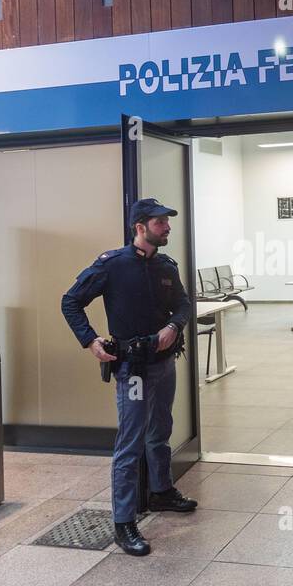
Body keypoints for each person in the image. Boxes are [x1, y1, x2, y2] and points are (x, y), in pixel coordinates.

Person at [60, 198, 199, 556]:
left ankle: (162, 491)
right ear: (139, 227)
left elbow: (184, 303)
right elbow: (70, 301)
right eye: (159, 223)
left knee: (161, 430)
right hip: (133, 368)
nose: (167, 227)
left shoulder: (166, 265)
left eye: (167, 222)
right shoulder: (112, 265)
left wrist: (173, 325)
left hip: (165, 361)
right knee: (130, 442)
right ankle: (123, 523)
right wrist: (90, 341)